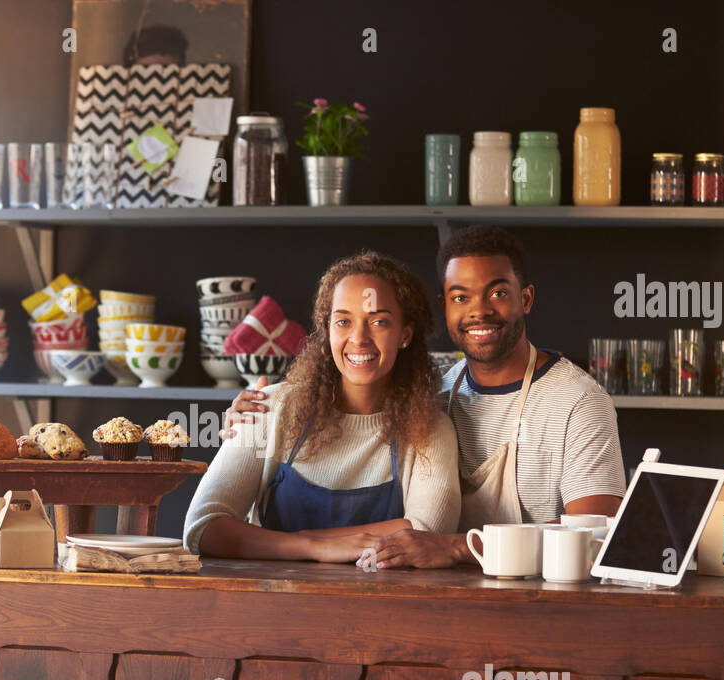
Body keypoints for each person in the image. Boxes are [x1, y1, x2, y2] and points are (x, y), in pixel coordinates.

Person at [222, 226, 625, 568]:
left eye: (498, 293)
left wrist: (456, 545)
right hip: (444, 608)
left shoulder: (577, 403)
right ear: (444, 307)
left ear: (527, 298)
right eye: (461, 297)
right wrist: (250, 419)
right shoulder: (432, 393)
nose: (479, 311)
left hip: (541, 608)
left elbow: (596, 536)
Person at [184, 251, 460, 561]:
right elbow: (202, 528)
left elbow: (427, 533)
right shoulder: (270, 408)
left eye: (379, 322)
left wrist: (277, 540)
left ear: (405, 335)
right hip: (267, 602)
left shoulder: (430, 429)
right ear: (327, 332)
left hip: (381, 606)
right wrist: (312, 546)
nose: (359, 338)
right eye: (343, 321)